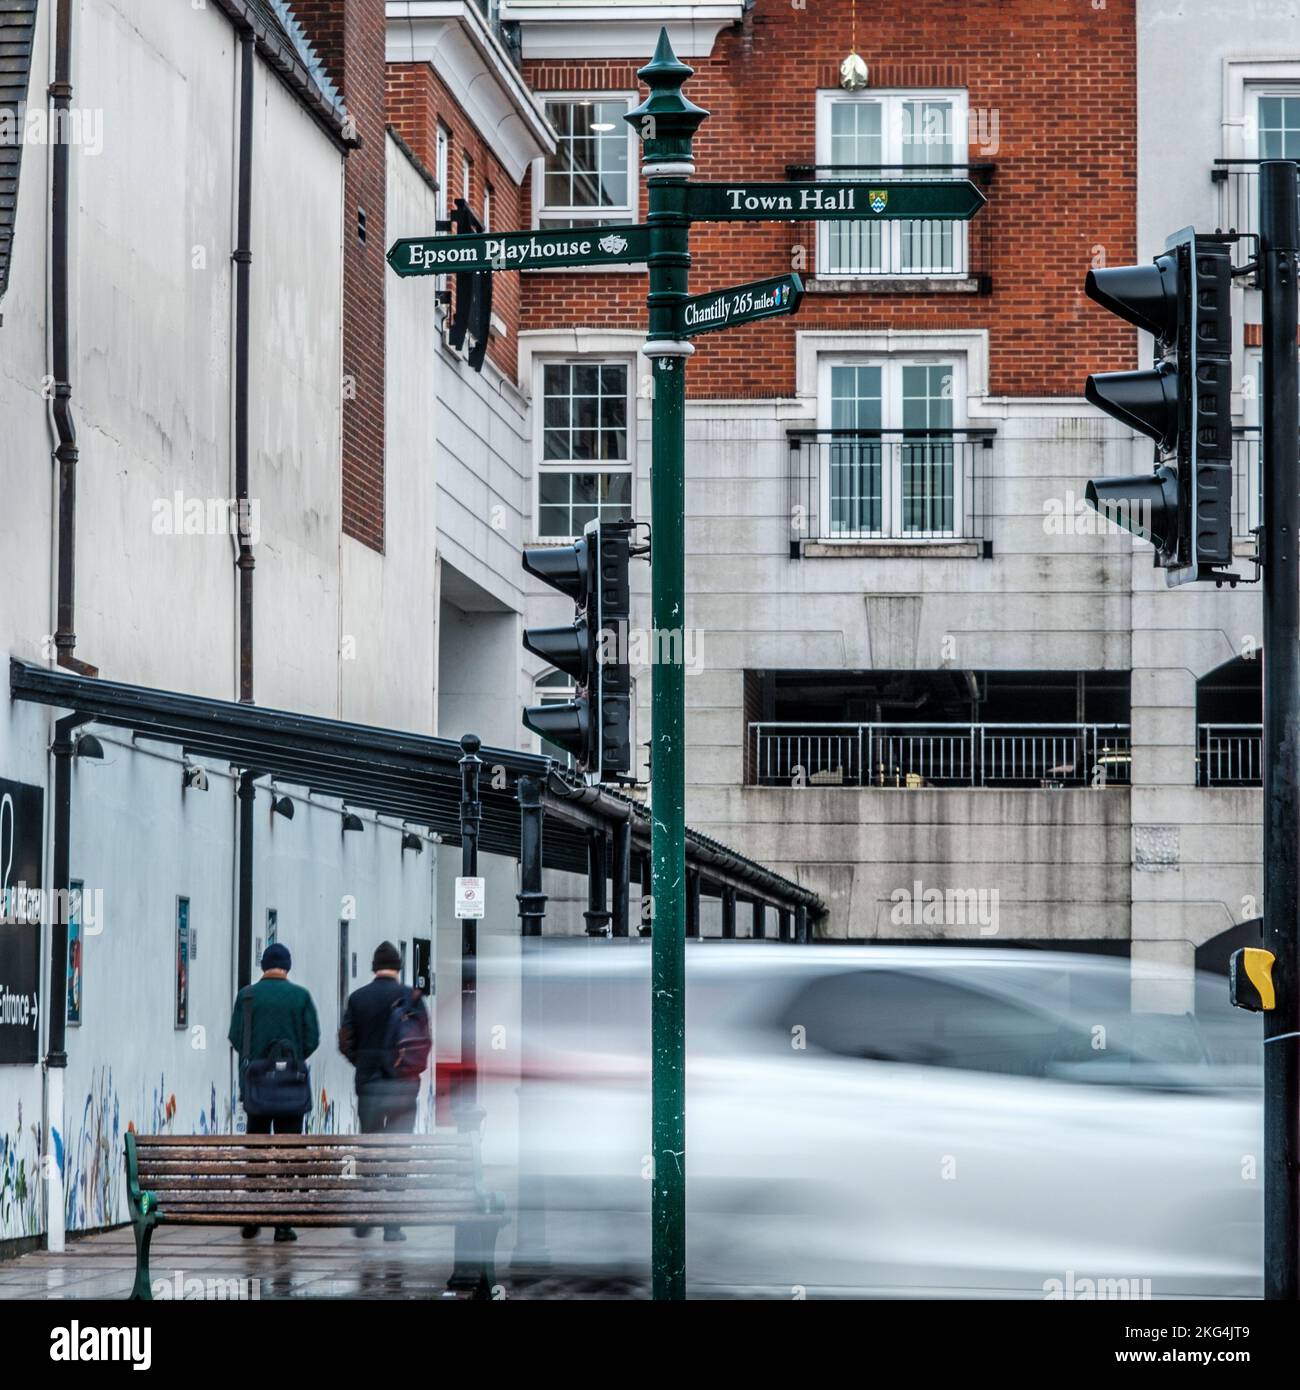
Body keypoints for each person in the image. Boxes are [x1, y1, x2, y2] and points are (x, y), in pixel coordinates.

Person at [228, 943, 320, 1242]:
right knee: (287, 1152)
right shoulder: (301, 997)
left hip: (256, 1086)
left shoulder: (247, 996)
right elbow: (312, 1039)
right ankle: (282, 1222)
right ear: (288, 967)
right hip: (290, 1088)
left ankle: (254, 1215)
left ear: (263, 965)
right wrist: (288, 1060)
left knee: (256, 1150)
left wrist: (260, 1059)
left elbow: (236, 1037)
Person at [339, 941, 430, 1242]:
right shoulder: (412, 999)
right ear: (399, 966)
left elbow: (345, 1042)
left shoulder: (357, 999)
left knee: (370, 1151)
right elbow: (423, 1042)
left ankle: (366, 1216)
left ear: (373, 966)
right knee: (398, 1153)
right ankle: (393, 1226)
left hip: (370, 1087)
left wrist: (363, 1064)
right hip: (404, 1088)